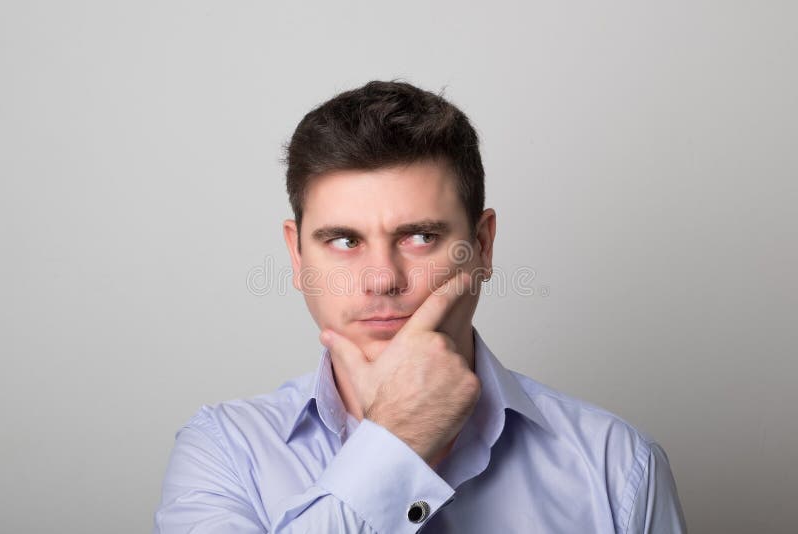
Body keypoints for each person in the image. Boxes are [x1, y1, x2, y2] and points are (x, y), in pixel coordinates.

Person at [153, 80, 687, 533]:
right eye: (343, 240)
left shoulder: (618, 465)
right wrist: (397, 441)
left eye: (420, 237)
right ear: (296, 256)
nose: (383, 279)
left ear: (482, 245)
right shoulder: (223, 453)